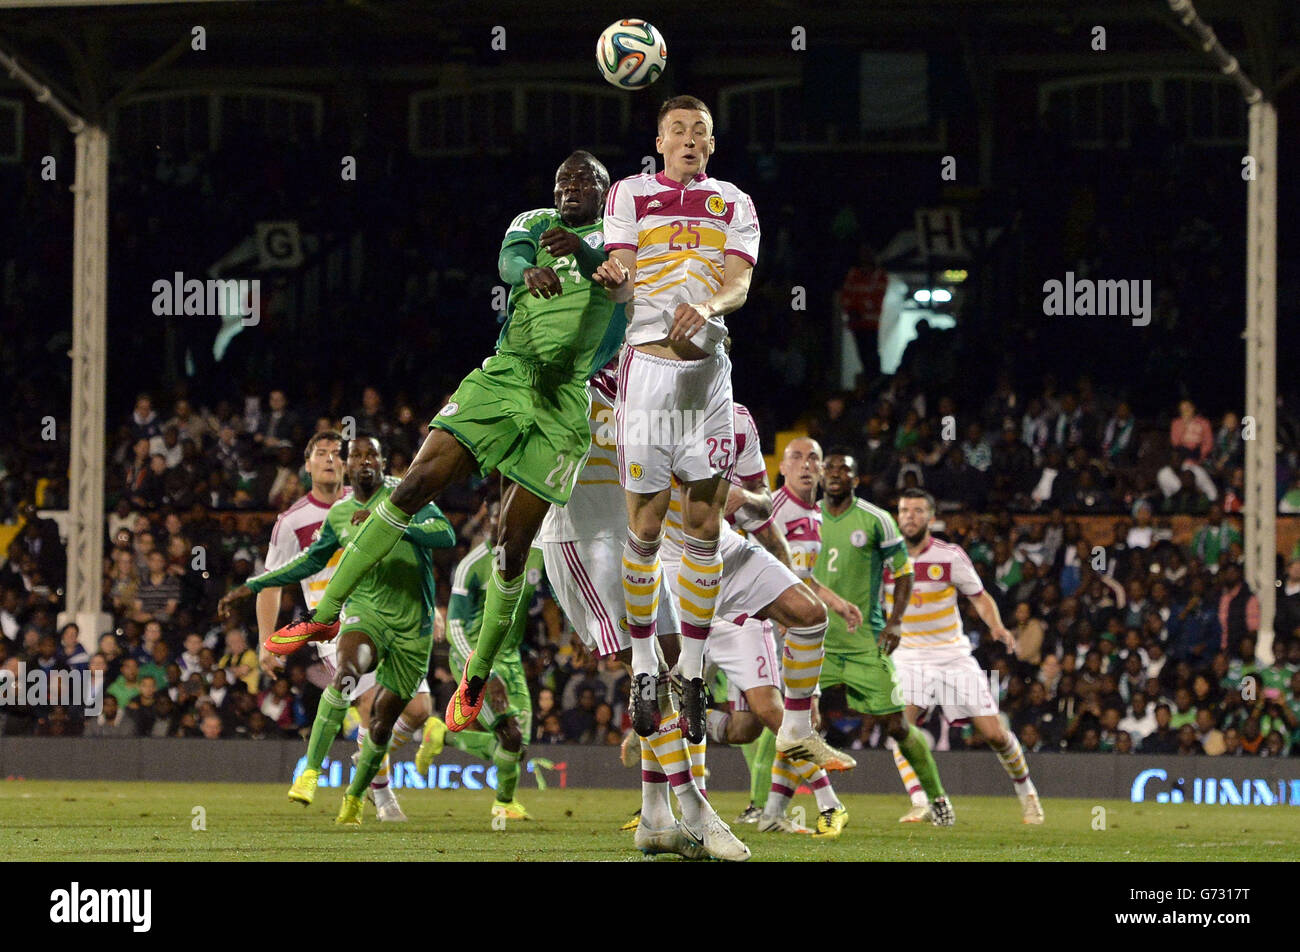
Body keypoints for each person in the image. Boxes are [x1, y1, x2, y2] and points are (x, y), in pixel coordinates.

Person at [274, 152, 624, 738]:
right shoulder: (537, 223)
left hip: (565, 401)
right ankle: (324, 613)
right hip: (506, 374)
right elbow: (509, 259)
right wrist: (524, 273)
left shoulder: (623, 237)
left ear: (606, 190)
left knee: (510, 548)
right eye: (563, 179)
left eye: (584, 181)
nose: (571, 188)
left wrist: (588, 256)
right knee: (412, 483)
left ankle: (476, 677)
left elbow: (616, 277)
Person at [592, 94, 760, 743]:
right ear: (660, 140)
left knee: (703, 529)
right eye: (678, 130)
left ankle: (691, 672)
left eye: (700, 132)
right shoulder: (629, 194)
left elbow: (739, 284)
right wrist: (612, 282)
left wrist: (710, 304)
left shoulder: (735, 203)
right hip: (649, 377)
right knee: (642, 530)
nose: (689, 139)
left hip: (708, 379)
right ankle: (642, 666)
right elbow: (624, 277)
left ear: (711, 145)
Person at [534, 364, 751, 861]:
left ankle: (655, 817)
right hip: (581, 538)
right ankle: (696, 810)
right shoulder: (564, 374)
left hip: (635, 546)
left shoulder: (642, 381)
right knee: (644, 669)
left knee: (673, 667)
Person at [221, 436, 455, 824]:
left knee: (415, 711)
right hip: (344, 618)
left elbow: (441, 536)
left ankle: (367, 760)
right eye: (324, 454)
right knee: (358, 693)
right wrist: (261, 614)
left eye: (339, 453)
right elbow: (287, 572)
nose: (334, 460)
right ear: (308, 465)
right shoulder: (293, 520)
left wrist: (394, 525)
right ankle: (368, 794)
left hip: (407, 619)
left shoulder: (396, 493)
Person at [812, 451, 955, 826]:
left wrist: (895, 622)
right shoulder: (805, 519)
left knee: (896, 725)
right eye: (830, 468)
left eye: (845, 469)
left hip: (865, 641)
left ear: (856, 479)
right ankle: (766, 807)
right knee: (787, 720)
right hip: (814, 639)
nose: (836, 474)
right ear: (821, 476)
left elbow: (903, 572)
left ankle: (937, 798)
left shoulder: (877, 520)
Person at [886, 489, 1045, 824]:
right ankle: (922, 800)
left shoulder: (949, 556)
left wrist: (998, 627)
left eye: (917, 510)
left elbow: (980, 596)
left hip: (952, 655)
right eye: (904, 510)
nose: (910, 516)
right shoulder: (885, 557)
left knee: (994, 734)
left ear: (930, 517)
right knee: (901, 727)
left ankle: (1027, 793)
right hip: (908, 655)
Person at [414, 500, 546, 823]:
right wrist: (481, 672)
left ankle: (441, 734)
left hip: (511, 659)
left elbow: (557, 596)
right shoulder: (472, 565)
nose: (506, 523)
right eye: (500, 516)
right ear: (489, 519)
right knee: (509, 736)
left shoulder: (538, 555)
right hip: (473, 658)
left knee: (519, 744)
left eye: (514, 515)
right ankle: (503, 803)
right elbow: (455, 629)